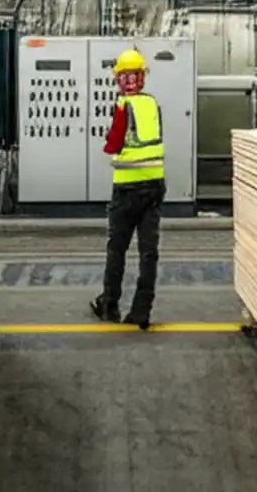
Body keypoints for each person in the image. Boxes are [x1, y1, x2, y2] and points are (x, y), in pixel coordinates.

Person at [89, 48, 165, 330]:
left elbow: (114, 143)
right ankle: (141, 311)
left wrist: (109, 143)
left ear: (119, 80)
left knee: (117, 249)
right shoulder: (152, 104)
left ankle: (109, 304)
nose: (129, 80)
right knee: (148, 252)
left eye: (129, 76)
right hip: (155, 187)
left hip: (127, 190)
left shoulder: (123, 105)